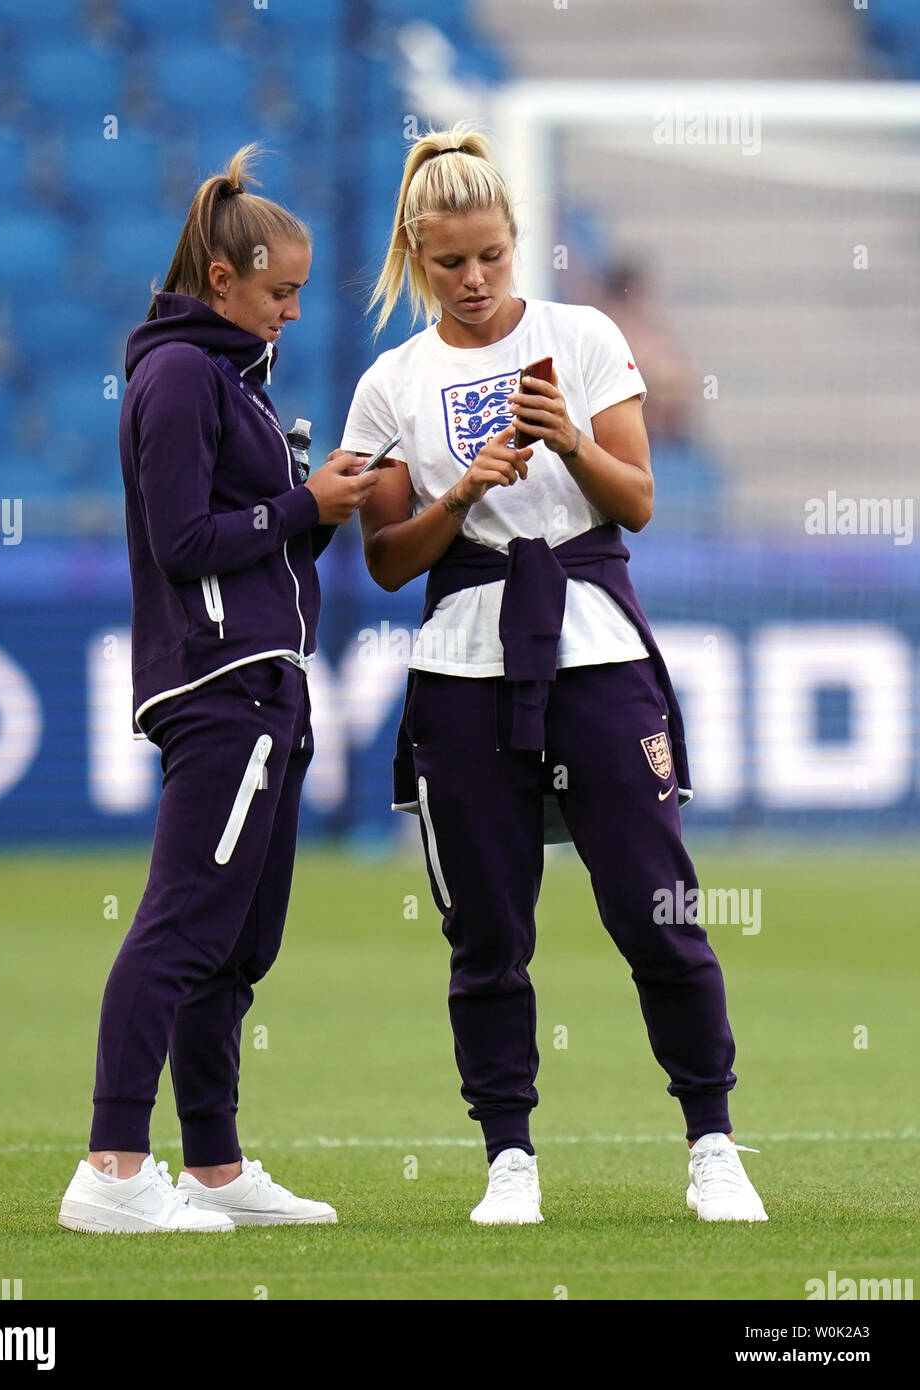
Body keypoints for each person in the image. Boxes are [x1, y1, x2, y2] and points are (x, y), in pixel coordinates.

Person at [341, 124, 767, 1226]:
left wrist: (569, 443)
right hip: (462, 661)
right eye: (448, 262)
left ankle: (711, 1140)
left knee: (657, 905)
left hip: (594, 651)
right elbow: (388, 561)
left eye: (489, 255)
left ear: (514, 241)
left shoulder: (582, 338)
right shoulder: (392, 380)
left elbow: (633, 501)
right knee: (485, 929)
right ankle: (508, 1158)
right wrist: (459, 493)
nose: (473, 279)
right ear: (414, 254)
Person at [58, 146, 377, 1233]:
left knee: (239, 945)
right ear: (223, 277)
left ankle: (213, 1164)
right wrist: (305, 508)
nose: (290, 312)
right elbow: (185, 541)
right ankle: (110, 1165)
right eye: (279, 291)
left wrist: (315, 507)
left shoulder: (228, 379)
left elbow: (264, 547)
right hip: (219, 685)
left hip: (265, 685)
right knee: (183, 925)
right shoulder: (184, 375)